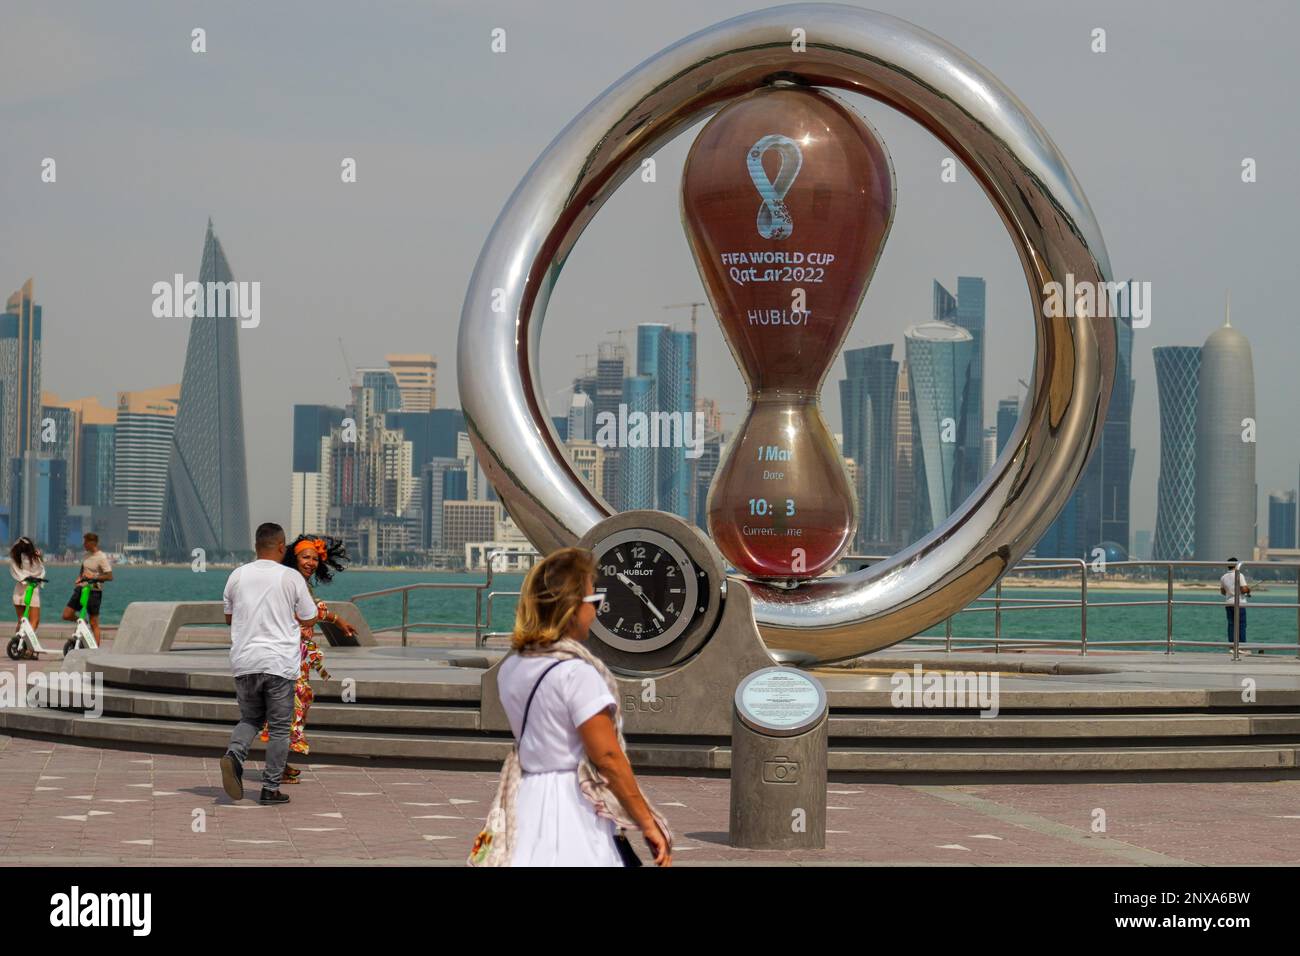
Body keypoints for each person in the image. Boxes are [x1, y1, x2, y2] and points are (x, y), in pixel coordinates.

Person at [473, 546, 672, 867]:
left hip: (524, 799)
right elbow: (607, 758)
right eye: (594, 602)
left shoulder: (514, 667)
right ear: (572, 608)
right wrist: (647, 821)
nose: (597, 611)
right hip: (571, 807)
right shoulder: (577, 674)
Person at [218, 523, 318, 805]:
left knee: (250, 718)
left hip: (244, 661)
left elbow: (229, 617)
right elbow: (309, 616)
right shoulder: (291, 577)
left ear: (256, 546)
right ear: (281, 546)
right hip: (278, 663)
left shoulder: (237, 575)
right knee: (278, 727)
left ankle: (234, 755)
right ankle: (269, 787)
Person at [258, 535, 354, 782]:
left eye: (314, 558)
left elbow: (313, 610)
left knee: (294, 704)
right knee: (291, 704)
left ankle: (280, 762)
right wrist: (336, 619)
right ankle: (275, 767)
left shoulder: (299, 582)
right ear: (294, 558)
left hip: (299, 655)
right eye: (305, 557)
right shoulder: (291, 582)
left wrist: (337, 620)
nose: (310, 562)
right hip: (288, 653)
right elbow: (308, 613)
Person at [62, 532, 111, 643]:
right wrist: (79, 577)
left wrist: (94, 576)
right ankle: (82, 621)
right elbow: (83, 569)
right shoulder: (86, 555)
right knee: (66, 614)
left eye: (85, 542)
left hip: (94, 592)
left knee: (94, 623)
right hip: (82, 588)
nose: (83, 544)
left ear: (92, 543)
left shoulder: (101, 557)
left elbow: (109, 576)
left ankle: (96, 650)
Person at [10, 537, 46, 655]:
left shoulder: (15, 558)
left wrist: (24, 579)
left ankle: (16, 646)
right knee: (34, 621)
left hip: (19, 590)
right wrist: (39, 557)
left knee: (21, 621)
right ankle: (29, 650)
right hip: (32, 590)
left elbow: (16, 574)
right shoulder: (35, 557)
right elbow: (41, 571)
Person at [1220, 558, 1251, 648]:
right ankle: (1241, 646)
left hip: (1228, 603)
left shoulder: (1223, 577)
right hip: (1239, 603)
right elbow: (1244, 589)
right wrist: (1248, 590)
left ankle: (1232, 646)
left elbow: (1222, 592)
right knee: (1241, 625)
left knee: (1231, 624)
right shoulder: (1239, 575)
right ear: (1236, 565)